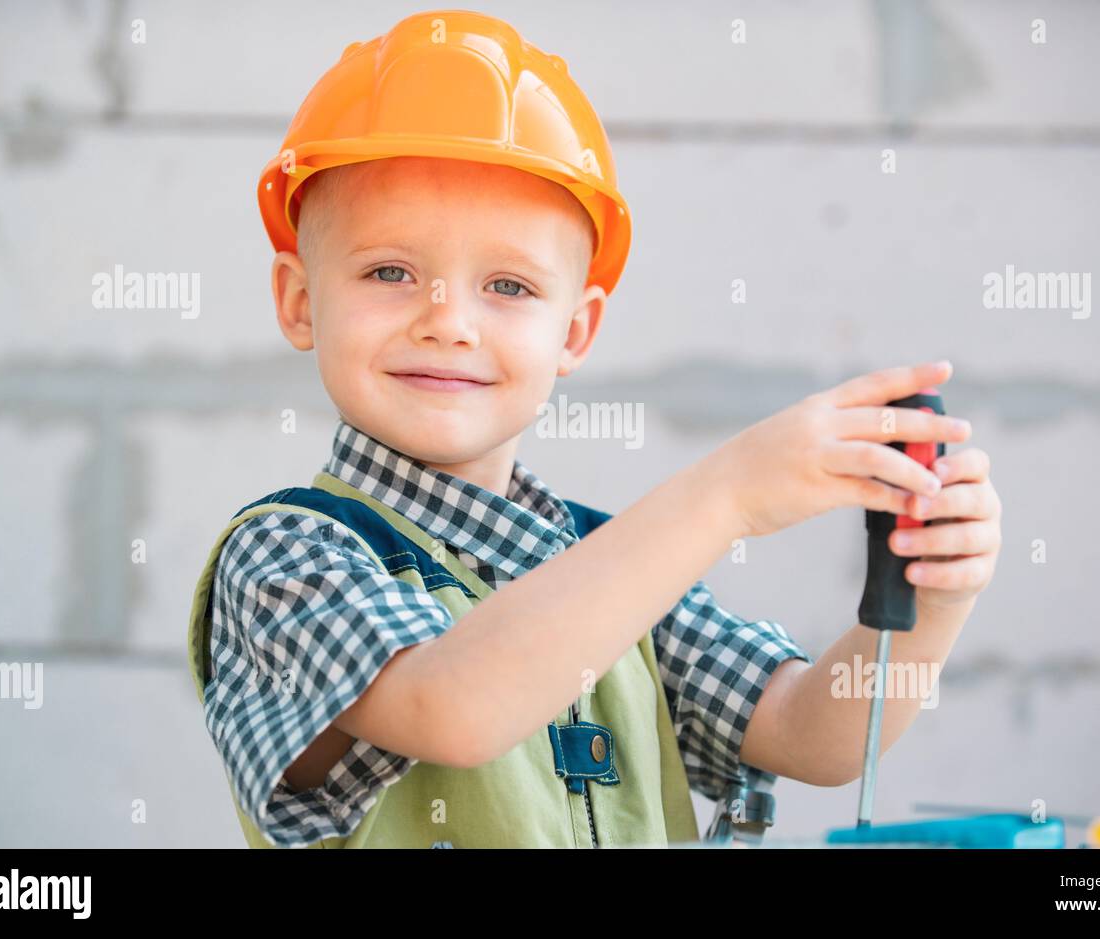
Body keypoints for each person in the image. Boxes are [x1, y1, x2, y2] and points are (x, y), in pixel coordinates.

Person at [186, 9, 1002, 849]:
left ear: (574, 331)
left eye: (507, 286)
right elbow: (455, 706)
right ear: (298, 299)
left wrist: (932, 604)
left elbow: (809, 731)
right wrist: (724, 498)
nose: (448, 322)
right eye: (390, 271)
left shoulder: (615, 571)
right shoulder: (286, 557)